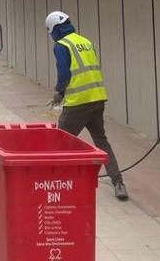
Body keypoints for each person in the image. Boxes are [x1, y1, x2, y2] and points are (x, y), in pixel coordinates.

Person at [45, 11, 128, 200]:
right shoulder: (85, 42)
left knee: (60, 142)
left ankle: (54, 183)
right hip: (97, 100)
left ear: (54, 30)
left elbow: (64, 73)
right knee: (101, 141)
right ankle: (118, 183)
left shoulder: (61, 45)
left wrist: (59, 93)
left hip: (77, 103)